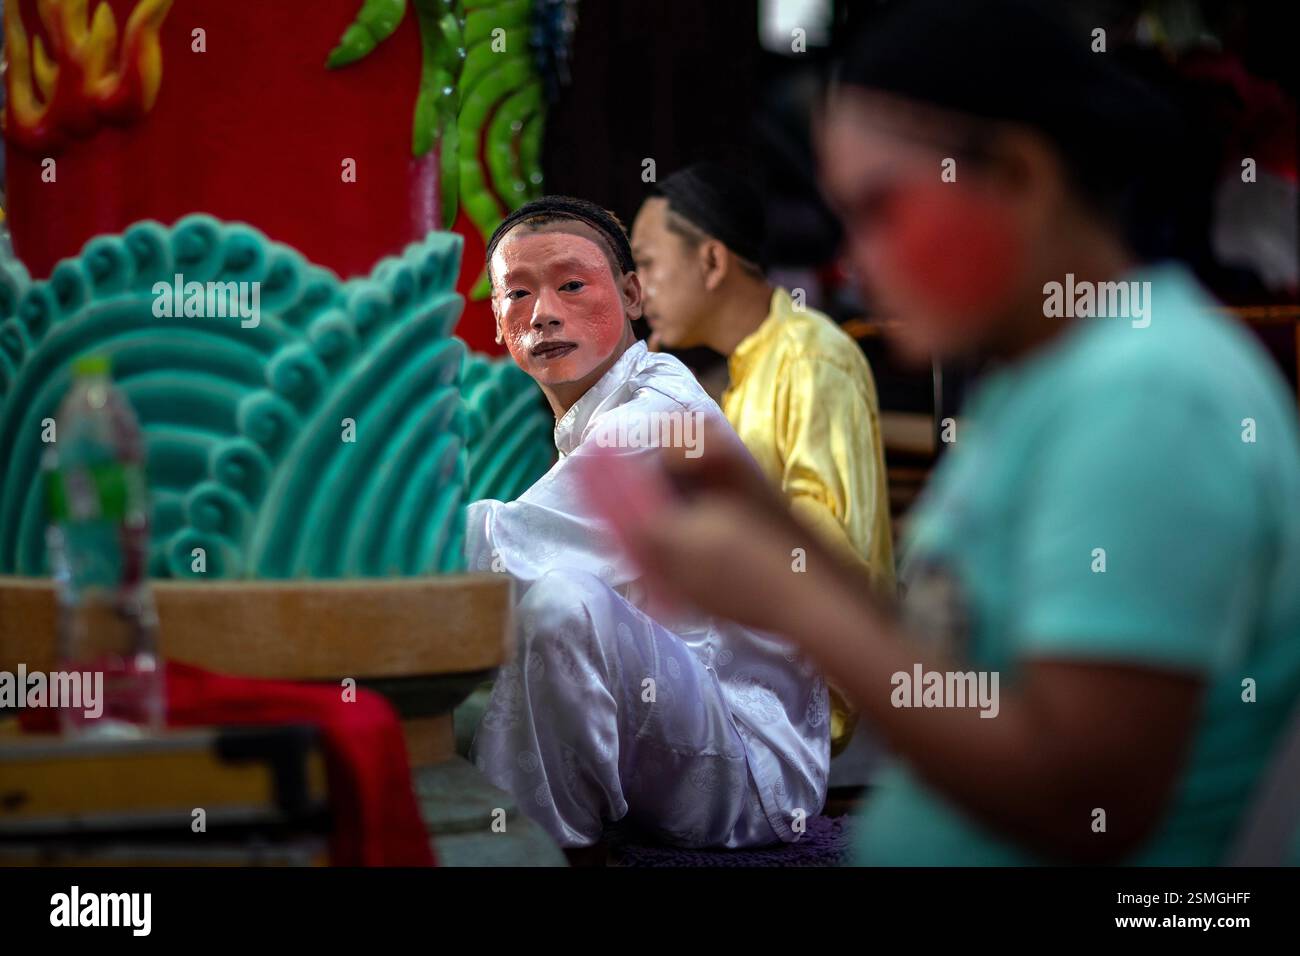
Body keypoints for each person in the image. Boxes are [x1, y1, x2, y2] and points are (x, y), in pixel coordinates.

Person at [609, 0, 1300, 865]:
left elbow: (1081, 799)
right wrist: (772, 527)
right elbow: (962, 675)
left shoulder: (1149, 395)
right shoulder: (1047, 379)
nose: (855, 262)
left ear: (1017, 177)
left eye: (879, 209)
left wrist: (795, 600)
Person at [464, 196, 829, 851]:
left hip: (751, 764)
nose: (543, 312)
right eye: (516, 293)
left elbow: (507, 545)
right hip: (683, 728)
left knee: (562, 605)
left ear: (633, 294)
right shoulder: (595, 418)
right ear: (495, 320)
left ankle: (536, 850)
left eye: (573, 285)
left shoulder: (660, 413)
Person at [632, 164, 896, 756]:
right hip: (747, 663)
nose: (637, 289)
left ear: (712, 262)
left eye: (647, 263)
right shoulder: (742, 373)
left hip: (797, 696)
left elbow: (829, 554)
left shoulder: (810, 358)